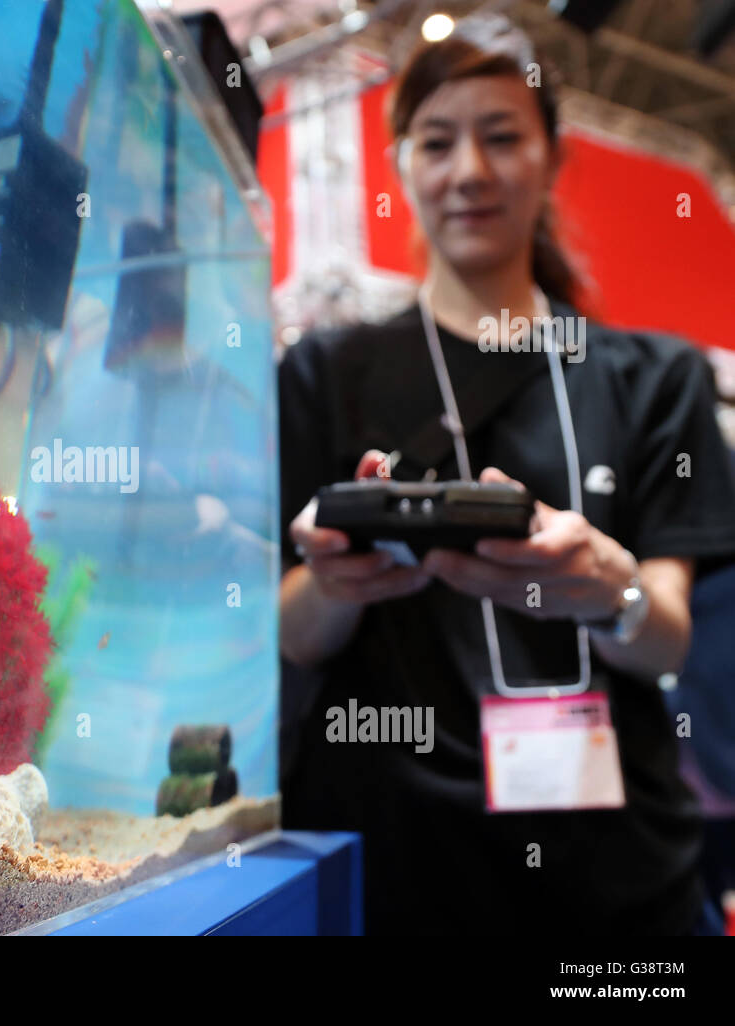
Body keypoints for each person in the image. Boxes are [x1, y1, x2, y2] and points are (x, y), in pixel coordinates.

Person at [278, 17, 735, 935]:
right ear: (402, 161)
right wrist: (335, 581)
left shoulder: (659, 379)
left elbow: (670, 636)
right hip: (395, 854)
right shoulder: (325, 375)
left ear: (551, 156)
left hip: (613, 869)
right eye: (437, 142)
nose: (469, 172)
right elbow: (291, 633)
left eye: (501, 136)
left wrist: (610, 591)